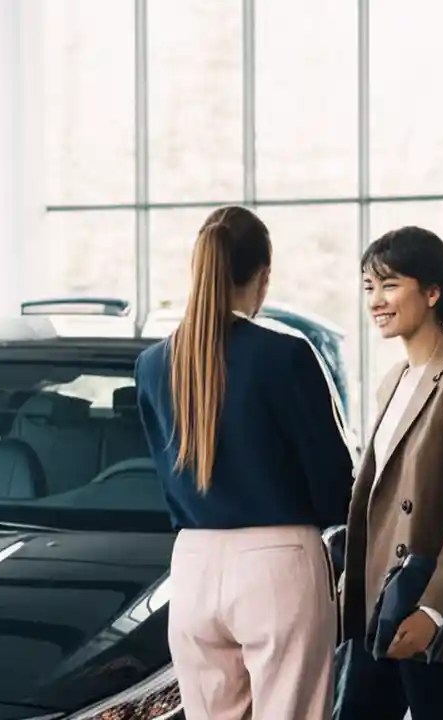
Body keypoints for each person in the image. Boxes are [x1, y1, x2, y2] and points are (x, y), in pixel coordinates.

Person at [134, 205, 353, 720]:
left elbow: (168, 479)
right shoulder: (286, 355)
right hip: (278, 564)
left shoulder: (152, 365)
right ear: (263, 275)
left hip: (191, 566)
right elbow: (334, 485)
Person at [336, 226, 443, 720]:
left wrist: (430, 612)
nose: (376, 301)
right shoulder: (393, 381)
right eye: (369, 287)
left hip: (432, 615)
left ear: (433, 293)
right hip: (377, 611)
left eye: (389, 285)